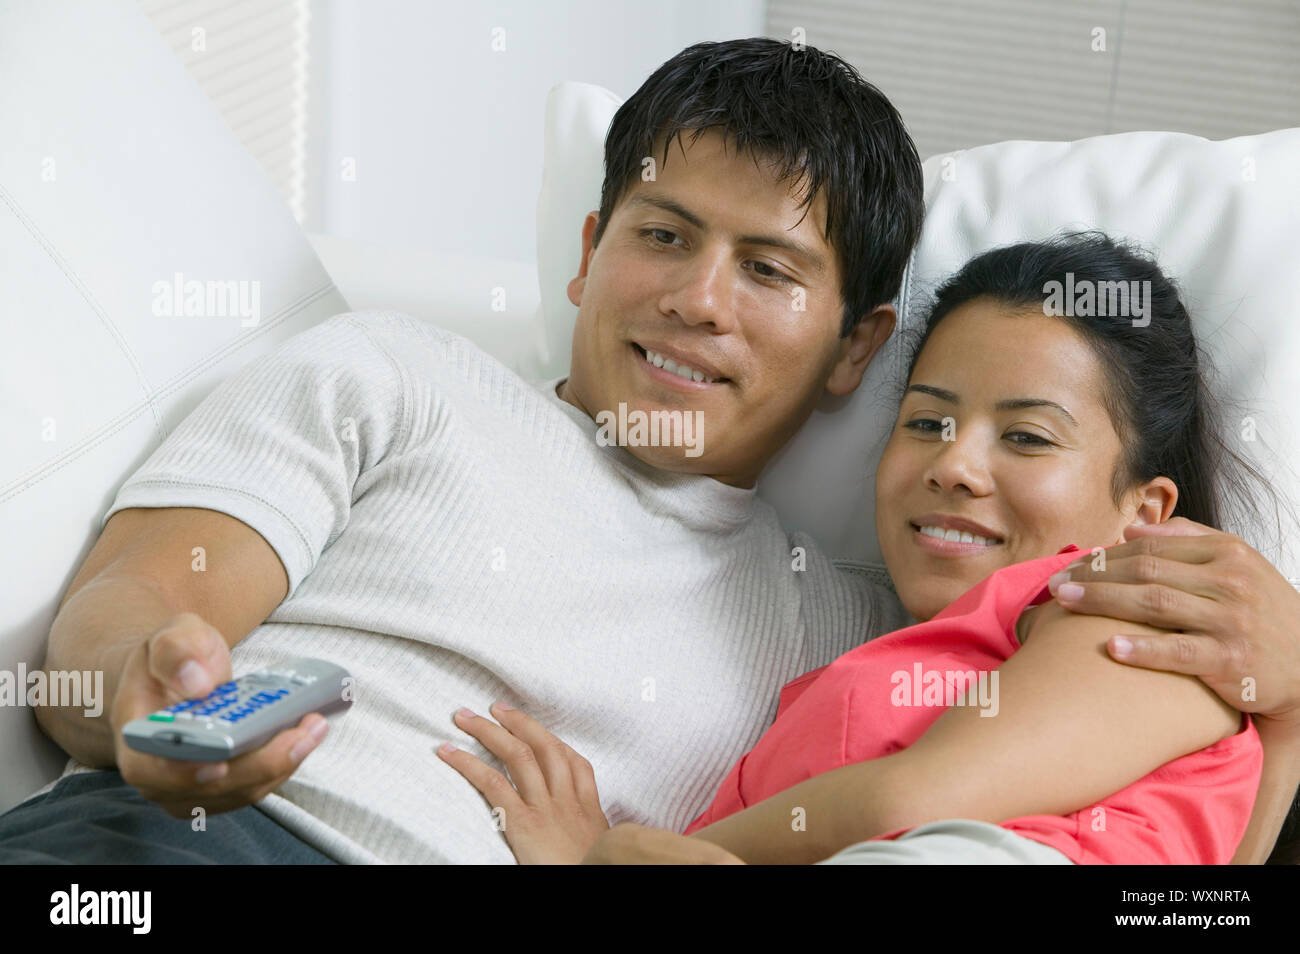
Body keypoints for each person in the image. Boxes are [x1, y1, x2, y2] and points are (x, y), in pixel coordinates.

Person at [3, 40, 1298, 866]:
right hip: (188, 839)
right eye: (664, 235)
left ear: (856, 348)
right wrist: (144, 701)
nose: (698, 298)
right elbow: (129, 610)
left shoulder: (866, 625)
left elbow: (1152, 789)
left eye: (770, 270)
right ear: (586, 249)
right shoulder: (391, 374)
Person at [437, 232, 1292, 864]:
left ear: (1145, 511)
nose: (953, 465)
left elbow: (907, 801)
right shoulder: (865, 650)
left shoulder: (1144, 611)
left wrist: (609, 856)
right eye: (926, 422)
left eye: (1027, 438)